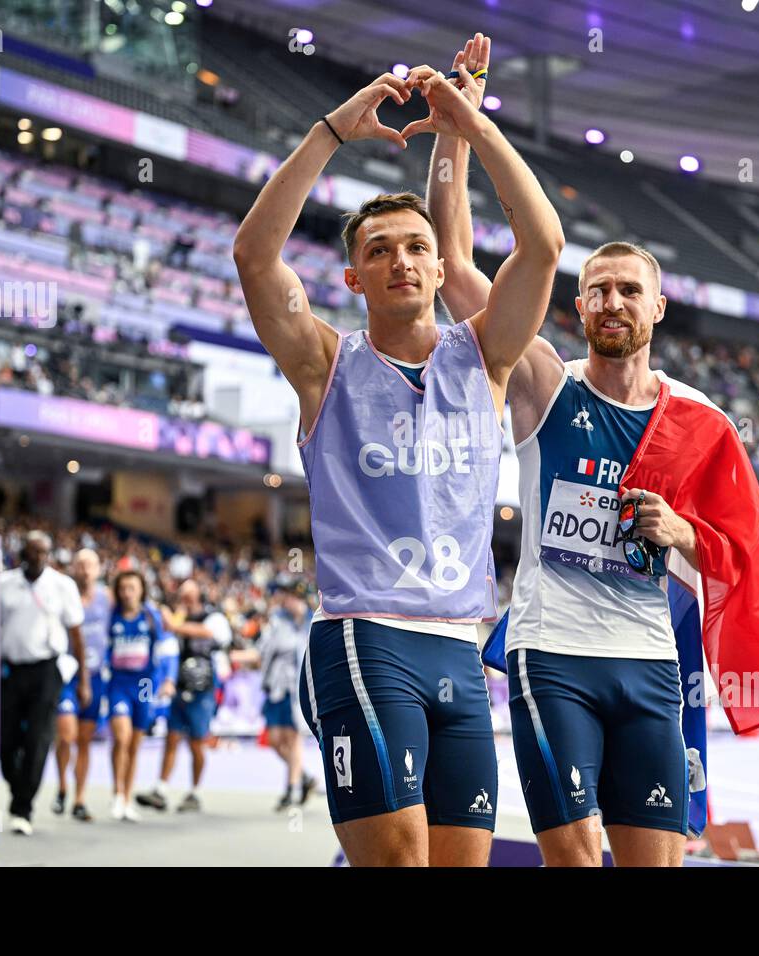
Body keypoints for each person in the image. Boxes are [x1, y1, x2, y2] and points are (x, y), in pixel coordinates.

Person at [427, 34, 759, 866]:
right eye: (597, 289)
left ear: (658, 308)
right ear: (580, 305)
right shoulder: (546, 385)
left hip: (650, 664)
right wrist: (457, 125)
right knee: (575, 859)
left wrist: (680, 534)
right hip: (551, 654)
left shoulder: (701, 420)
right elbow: (454, 265)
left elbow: (744, 553)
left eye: (630, 289)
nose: (611, 300)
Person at [232, 57, 563, 866]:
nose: (403, 261)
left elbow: (544, 244)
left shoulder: (486, 357)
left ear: (442, 268)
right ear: (354, 276)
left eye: (418, 247)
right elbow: (253, 256)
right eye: (381, 251)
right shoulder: (325, 365)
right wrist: (332, 133)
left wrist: (472, 126)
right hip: (363, 636)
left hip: (458, 641)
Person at [0, 530, 87, 836]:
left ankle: (23, 808)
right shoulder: (3, 583)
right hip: (11, 670)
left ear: (48, 555)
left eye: (43, 552)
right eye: (32, 551)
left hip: (47, 671)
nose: (37, 557)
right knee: (6, 741)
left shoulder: (62, 586)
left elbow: (77, 636)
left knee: (38, 739)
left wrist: (83, 678)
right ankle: (18, 783)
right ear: (22, 552)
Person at [134, 579, 231, 814]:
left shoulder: (213, 617)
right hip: (179, 686)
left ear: (198, 595)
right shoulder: (176, 619)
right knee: (172, 737)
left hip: (203, 688)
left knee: (197, 741)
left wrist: (174, 626)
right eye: (182, 595)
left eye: (189, 594)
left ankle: (195, 792)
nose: (185, 599)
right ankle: (161, 788)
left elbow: (210, 634)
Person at [233, 583, 317, 811]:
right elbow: (261, 652)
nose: (288, 601)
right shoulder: (277, 622)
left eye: (293, 597)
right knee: (273, 740)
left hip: (297, 691)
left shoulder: (311, 623)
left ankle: (291, 790)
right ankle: (304, 777)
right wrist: (236, 656)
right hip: (275, 687)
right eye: (287, 597)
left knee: (292, 739)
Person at [105, 569, 176, 822]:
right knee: (121, 738)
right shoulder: (111, 615)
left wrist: (169, 678)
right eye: (123, 588)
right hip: (118, 683)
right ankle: (116, 793)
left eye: (132, 588)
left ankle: (127, 797)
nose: (127, 593)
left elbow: (168, 647)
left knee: (135, 743)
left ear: (141, 590)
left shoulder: (151, 616)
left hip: (145, 683)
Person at [52, 549, 111, 822]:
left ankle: (79, 798)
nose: (86, 570)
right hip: (68, 674)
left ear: (99, 569)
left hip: (97, 675)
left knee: (85, 741)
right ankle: (62, 785)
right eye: (81, 564)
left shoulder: (107, 598)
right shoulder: (63, 594)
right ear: (73, 568)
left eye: (91, 565)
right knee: (66, 736)